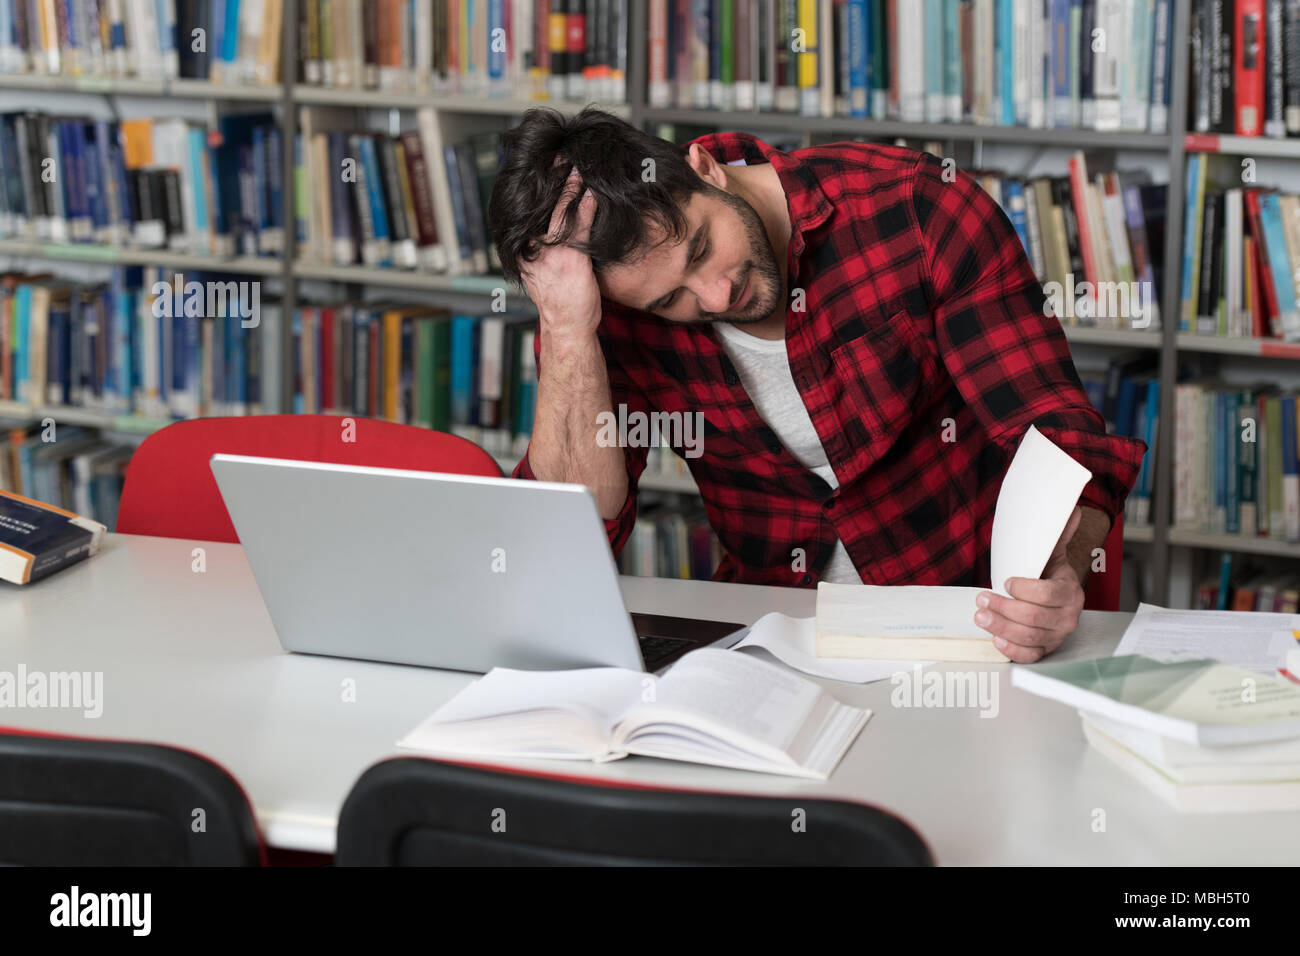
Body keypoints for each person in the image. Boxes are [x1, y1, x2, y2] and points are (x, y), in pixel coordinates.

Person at [486, 107, 1146, 662]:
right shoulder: (607, 315)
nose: (715, 294)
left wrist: (1064, 564)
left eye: (699, 249)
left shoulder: (917, 211)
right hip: (769, 645)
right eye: (669, 302)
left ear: (707, 169)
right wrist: (568, 331)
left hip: (968, 630)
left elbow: (1062, 440)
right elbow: (575, 533)